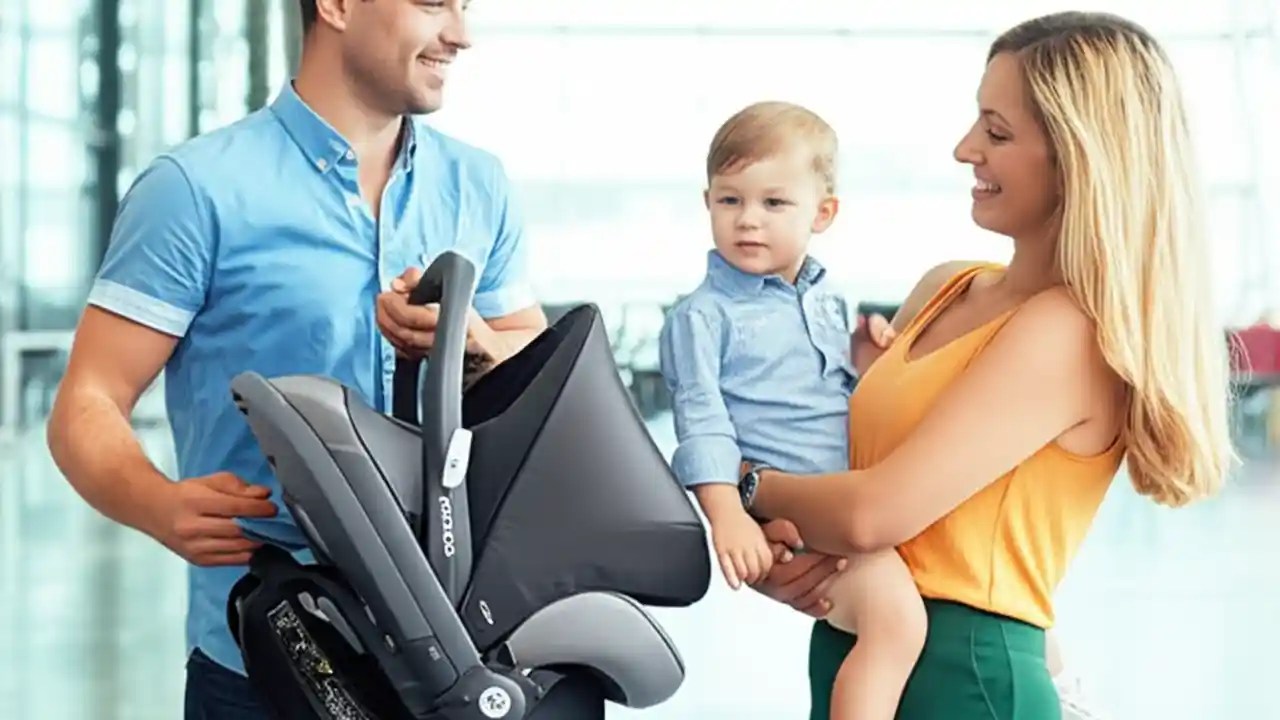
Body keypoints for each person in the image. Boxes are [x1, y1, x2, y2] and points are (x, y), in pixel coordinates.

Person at [45, 1, 546, 717]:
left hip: (462, 651)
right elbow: (86, 400)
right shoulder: (194, 191)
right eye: (434, 3)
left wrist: (477, 348)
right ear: (336, 6)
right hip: (266, 664)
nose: (462, 34)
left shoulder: (479, 185)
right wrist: (156, 503)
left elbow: (529, 360)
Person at [740, 11, 1236, 719]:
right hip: (853, 645)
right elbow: (835, 487)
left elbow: (870, 512)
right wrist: (773, 556)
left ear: (1077, 158)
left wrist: (741, 486)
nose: (964, 148)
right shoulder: (945, 287)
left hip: (964, 677)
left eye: (997, 132)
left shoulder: (1068, 332)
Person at [659, 100, 926, 720]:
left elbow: (833, 399)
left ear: (823, 213)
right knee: (895, 626)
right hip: (802, 517)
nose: (748, 221)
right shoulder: (702, 316)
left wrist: (865, 363)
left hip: (849, 495)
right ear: (708, 204)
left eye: (773, 204)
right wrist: (728, 515)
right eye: (730, 201)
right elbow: (701, 420)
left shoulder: (828, 297)